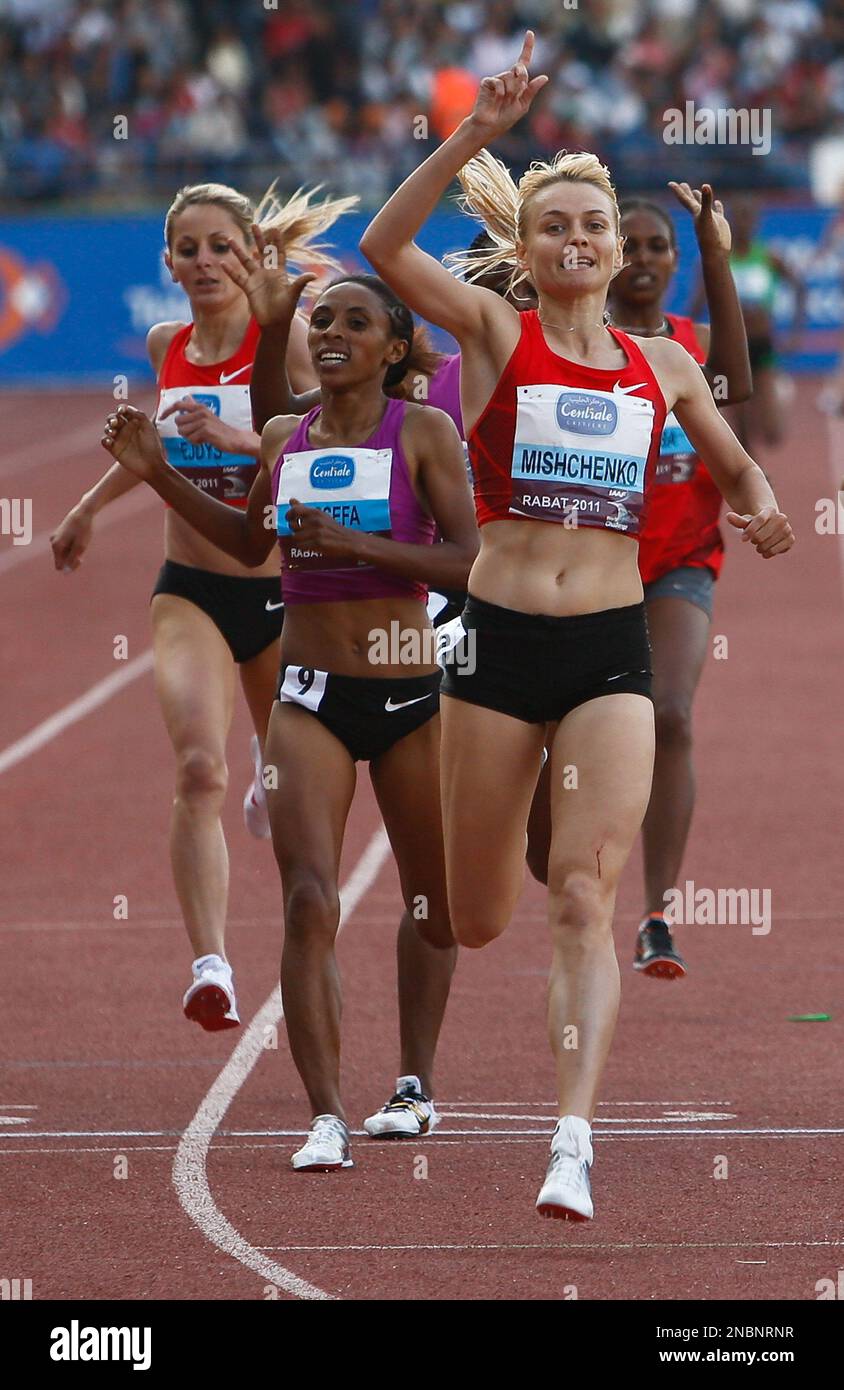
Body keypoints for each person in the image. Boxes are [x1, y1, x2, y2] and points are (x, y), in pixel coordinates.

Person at [360, 31, 793, 1221]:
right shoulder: (495, 336)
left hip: (609, 650)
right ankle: (491, 901)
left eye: (591, 226)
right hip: (497, 646)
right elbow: (382, 248)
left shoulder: (666, 363)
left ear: (612, 249)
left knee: (582, 899)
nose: (576, 241)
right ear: (527, 248)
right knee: (476, 912)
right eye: (552, 225)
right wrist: (478, 136)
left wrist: (757, 509)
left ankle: (570, 1137)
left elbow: (738, 465)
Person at [99, 264, 478, 1171]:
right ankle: (325, 1115)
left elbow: (472, 561)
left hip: (408, 690)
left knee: (434, 901)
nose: (333, 332)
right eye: (323, 321)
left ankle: (415, 1087)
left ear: (393, 350)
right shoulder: (285, 434)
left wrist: (361, 546)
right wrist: (153, 471)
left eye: (357, 322)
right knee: (309, 900)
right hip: (311, 695)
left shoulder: (422, 431)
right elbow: (245, 541)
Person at [51, 180, 354, 1031]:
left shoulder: (291, 338)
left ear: (254, 252)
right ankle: (211, 962)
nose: (205, 263)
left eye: (221, 246)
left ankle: (312, 949)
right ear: (169, 262)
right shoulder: (165, 343)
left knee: (293, 794)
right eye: (188, 249)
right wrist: (87, 507)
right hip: (191, 587)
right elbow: (155, 445)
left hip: (281, 594)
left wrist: (248, 440)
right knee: (196, 769)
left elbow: (335, 436)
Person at [525, 187, 753, 980]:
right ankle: (555, 808)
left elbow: (738, 390)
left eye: (663, 247)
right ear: (613, 254)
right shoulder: (571, 347)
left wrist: (717, 255)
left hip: (679, 560)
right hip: (591, 561)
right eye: (638, 244)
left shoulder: (685, 351)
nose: (649, 259)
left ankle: (656, 912)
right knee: (558, 728)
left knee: (673, 715)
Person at [693, 195, 805, 455]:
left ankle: (766, 402)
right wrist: (686, 336)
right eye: (739, 218)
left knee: (771, 431)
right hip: (731, 348)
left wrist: (795, 334)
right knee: (741, 433)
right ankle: (756, 482)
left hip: (761, 343)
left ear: (755, 222)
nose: (743, 224)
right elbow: (699, 301)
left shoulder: (768, 256)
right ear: (730, 222)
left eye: (748, 218)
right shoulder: (718, 260)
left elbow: (800, 288)